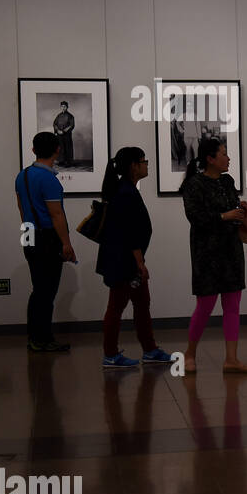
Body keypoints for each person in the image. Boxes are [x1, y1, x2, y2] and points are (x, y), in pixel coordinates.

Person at [180, 137, 247, 374]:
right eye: (223, 153)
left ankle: (231, 359)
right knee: (205, 305)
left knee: (232, 305)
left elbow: (233, 209)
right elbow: (195, 217)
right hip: (206, 251)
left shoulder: (227, 181)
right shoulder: (194, 184)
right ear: (210, 159)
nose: (228, 157)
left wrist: (241, 211)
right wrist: (225, 216)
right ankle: (189, 354)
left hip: (231, 249)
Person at [95, 147, 173, 368]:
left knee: (141, 303)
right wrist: (139, 263)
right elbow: (129, 233)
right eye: (143, 161)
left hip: (126, 260)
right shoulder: (125, 193)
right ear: (133, 166)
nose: (147, 164)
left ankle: (150, 350)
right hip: (124, 262)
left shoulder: (126, 189)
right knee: (116, 306)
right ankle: (110, 355)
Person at [15, 132, 75, 351]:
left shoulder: (22, 176)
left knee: (38, 288)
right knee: (46, 291)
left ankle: (35, 337)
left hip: (28, 232)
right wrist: (66, 244)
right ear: (58, 149)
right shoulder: (49, 179)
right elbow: (56, 215)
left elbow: (22, 208)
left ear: (33, 150)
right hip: (46, 236)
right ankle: (42, 339)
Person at [52, 101, 75, 168]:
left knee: (68, 147)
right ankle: (61, 161)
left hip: (66, 134)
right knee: (61, 148)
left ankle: (69, 162)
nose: (63, 108)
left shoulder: (70, 116)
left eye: (64, 106)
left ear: (67, 107)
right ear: (60, 107)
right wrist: (57, 130)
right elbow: (54, 123)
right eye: (62, 106)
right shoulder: (58, 115)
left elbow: (71, 125)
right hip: (59, 134)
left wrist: (64, 131)